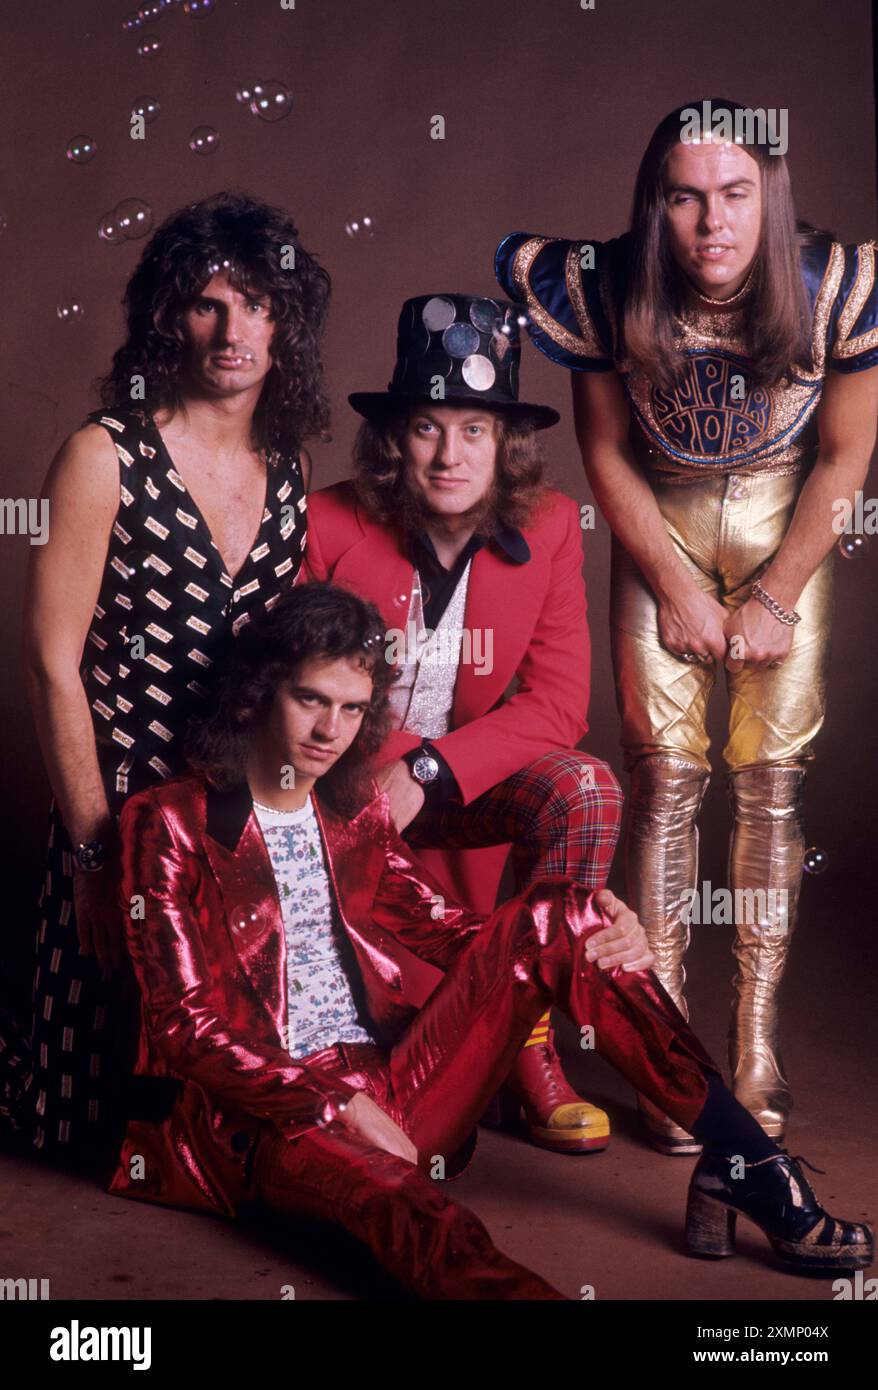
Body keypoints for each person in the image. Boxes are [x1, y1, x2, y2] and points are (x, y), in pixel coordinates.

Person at [107, 581, 872, 1301]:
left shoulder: (353, 811)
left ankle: (750, 1166)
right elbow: (185, 1029)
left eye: (350, 708)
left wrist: (593, 931)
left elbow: (454, 933)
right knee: (411, 1211)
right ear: (259, 692)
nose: (328, 732)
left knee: (565, 916)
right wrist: (335, 1103)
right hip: (272, 1114)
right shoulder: (168, 821)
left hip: (395, 1082)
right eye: (309, 699)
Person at [495, 97, 878, 1152]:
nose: (710, 221)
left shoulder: (834, 284)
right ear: (652, 204)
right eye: (683, 197)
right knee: (662, 776)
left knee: (769, 780)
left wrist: (773, 593)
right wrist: (671, 583)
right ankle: (659, 1047)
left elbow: (845, 457)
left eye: (733, 194)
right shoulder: (605, 282)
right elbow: (606, 455)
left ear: (770, 195)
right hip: (655, 533)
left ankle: (754, 1039)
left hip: (784, 539)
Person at [5, 191, 331, 1164]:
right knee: (84, 1127)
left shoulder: (291, 469)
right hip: (116, 808)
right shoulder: (102, 455)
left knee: (223, 1123)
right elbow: (52, 665)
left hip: (220, 817)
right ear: (167, 318)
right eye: (206, 303)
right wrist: (93, 857)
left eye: (257, 304)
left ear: (286, 323)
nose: (233, 331)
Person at [304, 293, 623, 1154]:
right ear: (393, 438)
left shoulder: (553, 526)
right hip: (345, 788)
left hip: (462, 786)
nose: (450, 455)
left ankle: (531, 1043)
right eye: (427, 428)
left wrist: (430, 770)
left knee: (586, 785)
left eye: (474, 429)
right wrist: (384, 770)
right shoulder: (327, 521)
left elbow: (560, 703)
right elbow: (295, 691)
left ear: (506, 444)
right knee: (407, 1075)